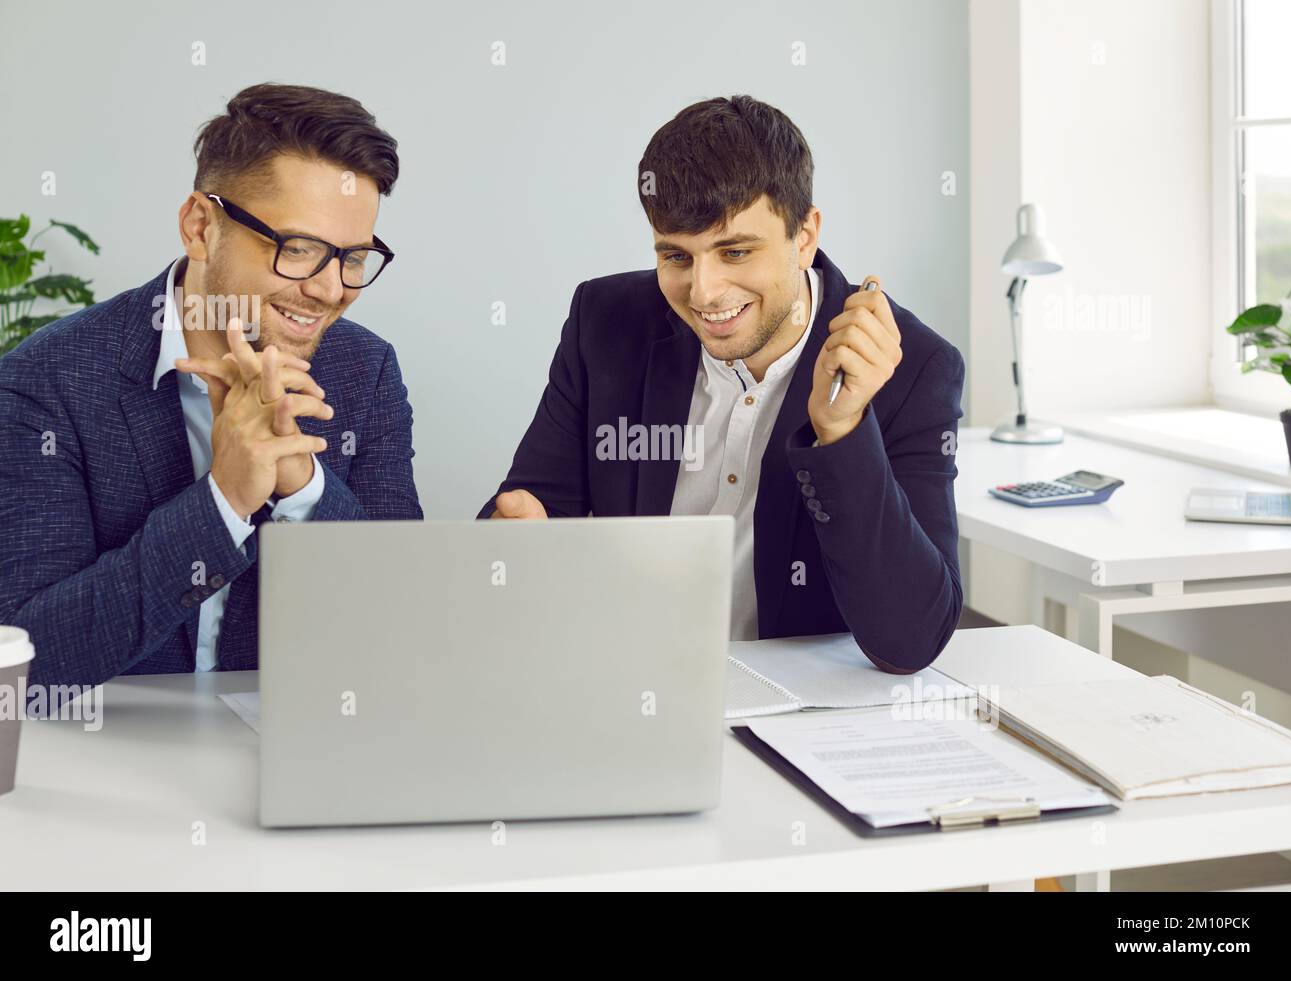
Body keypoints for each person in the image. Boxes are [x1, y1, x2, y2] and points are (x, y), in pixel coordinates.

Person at [481, 95, 964, 673]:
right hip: (630, 686)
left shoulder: (912, 368)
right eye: (676, 257)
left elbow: (909, 641)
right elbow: (530, 513)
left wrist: (841, 431)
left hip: (799, 714)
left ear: (805, 234)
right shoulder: (605, 322)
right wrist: (510, 542)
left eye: (735, 251)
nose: (704, 292)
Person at [0, 83, 422, 687]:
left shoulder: (367, 372)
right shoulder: (48, 380)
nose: (331, 290)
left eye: (353, 258)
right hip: (109, 753)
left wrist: (302, 484)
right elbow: (27, 664)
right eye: (299, 248)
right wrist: (224, 498)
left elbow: (402, 620)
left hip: (296, 746)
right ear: (200, 227)